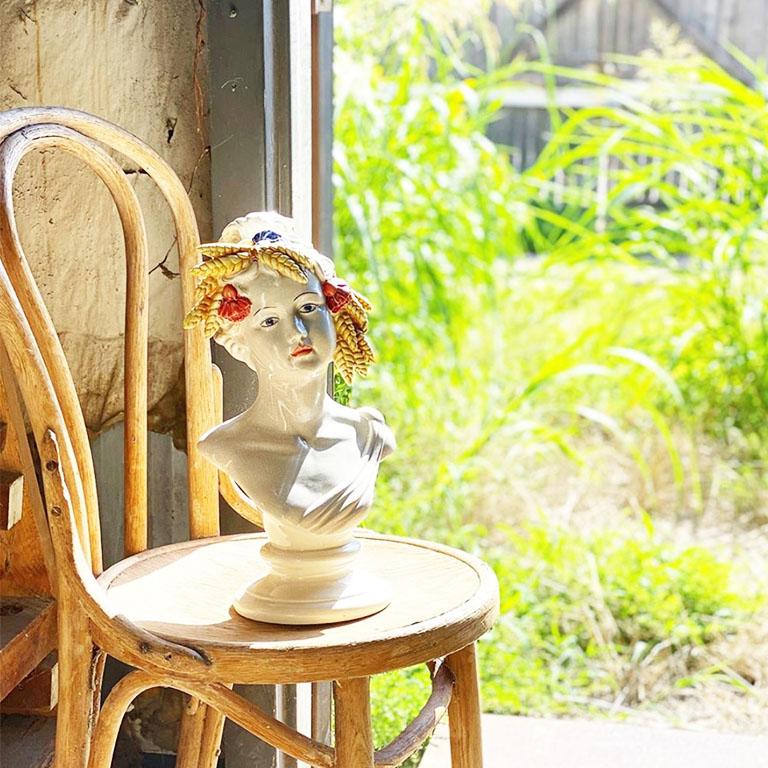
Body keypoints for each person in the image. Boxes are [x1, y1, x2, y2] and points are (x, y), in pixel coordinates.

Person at [183, 212, 395, 623]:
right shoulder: (230, 447)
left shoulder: (368, 433)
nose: (298, 330)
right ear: (238, 344)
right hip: (282, 597)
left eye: (308, 307)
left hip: (349, 590)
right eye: (268, 320)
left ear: (335, 313)